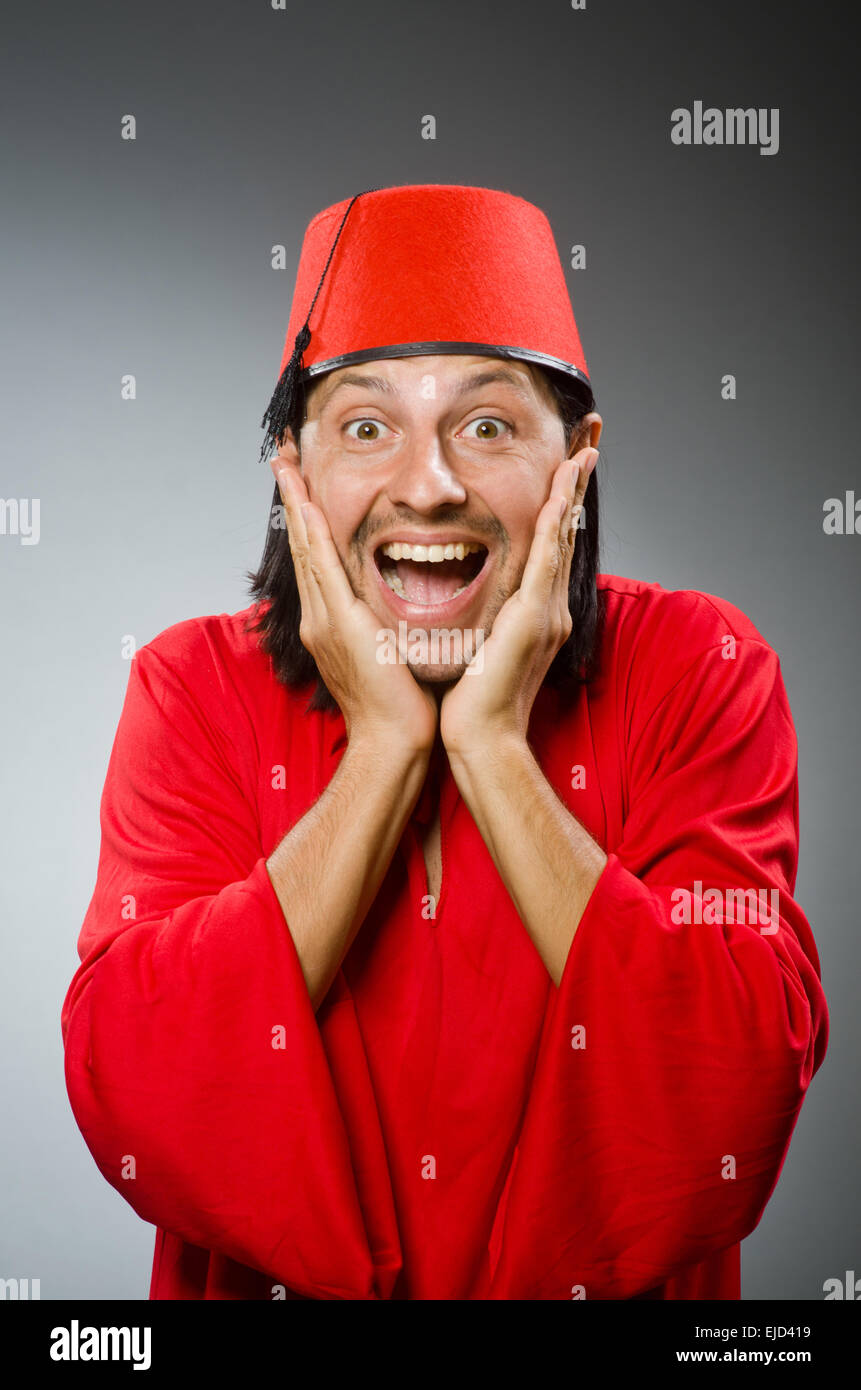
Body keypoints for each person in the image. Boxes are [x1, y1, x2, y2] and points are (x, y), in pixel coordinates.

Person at [61, 183, 829, 1300]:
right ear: (297, 474)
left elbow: (736, 1085)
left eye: (487, 425)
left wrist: (492, 746)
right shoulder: (193, 687)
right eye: (366, 426)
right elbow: (134, 1090)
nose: (428, 486)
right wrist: (382, 747)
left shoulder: (699, 668)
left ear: (578, 458)